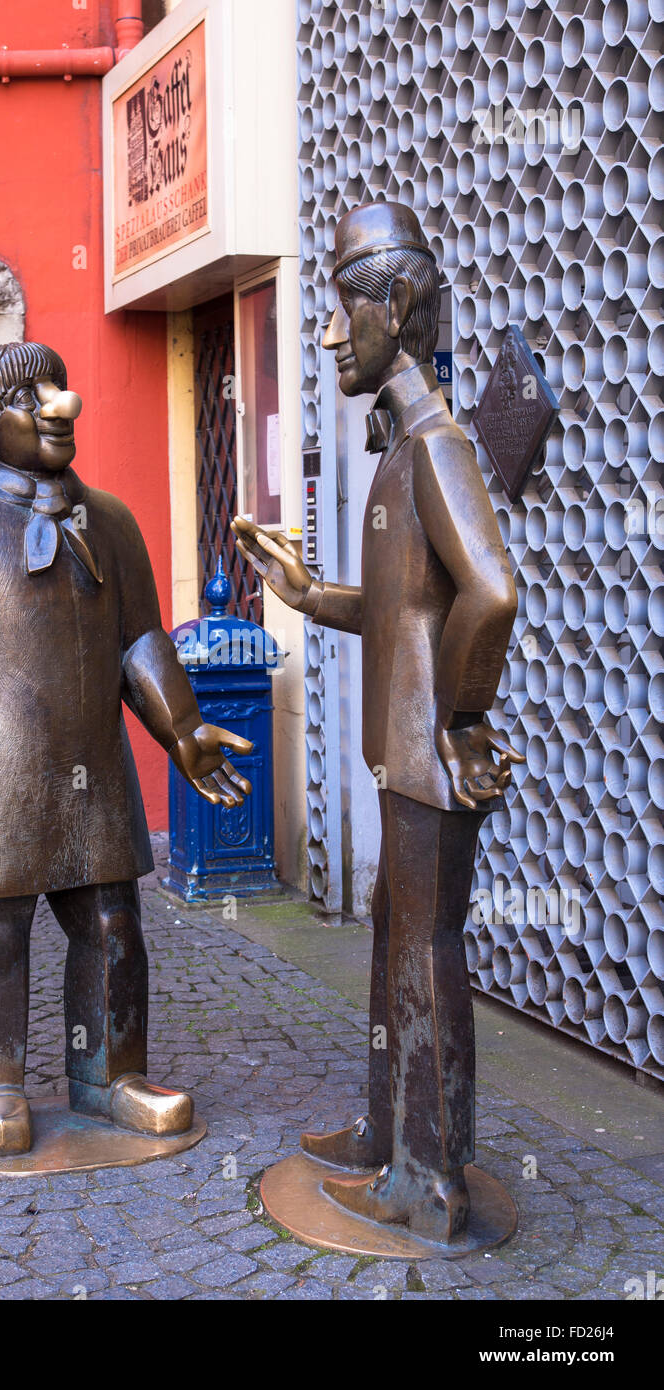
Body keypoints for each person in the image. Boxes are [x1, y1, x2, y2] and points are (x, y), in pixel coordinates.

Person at [233, 202, 522, 1242]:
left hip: (423, 760)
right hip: (404, 758)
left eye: (341, 308)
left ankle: (429, 1180)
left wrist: (453, 720)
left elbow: (490, 593)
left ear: (394, 307)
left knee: (422, 953)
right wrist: (311, 596)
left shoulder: (436, 448)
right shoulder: (404, 449)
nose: (325, 334)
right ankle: (384, 1132)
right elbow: (403, 609)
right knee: (392, 942)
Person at [0, 341, 252, 1158]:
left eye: (60, 386)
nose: (61, 404)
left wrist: (183, 728)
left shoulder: (113, 520)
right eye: (34, 395)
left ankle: (110, 1074)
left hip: (92, 764)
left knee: (111, 923)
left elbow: (141, 643)